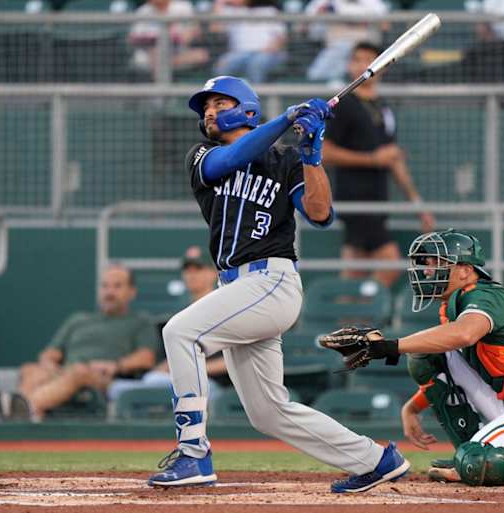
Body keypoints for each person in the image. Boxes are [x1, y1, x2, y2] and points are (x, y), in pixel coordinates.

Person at [147, 75, 410, 492]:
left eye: (218, 102)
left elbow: (321, 215)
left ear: (247, 107)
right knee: (267, 412)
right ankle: (375, 459)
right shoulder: (203, 154)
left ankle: (194, 453)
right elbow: (229, 162)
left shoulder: (286, 160)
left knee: (180, 332)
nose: (209, 112)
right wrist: (288, 118)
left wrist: (312, 153)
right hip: (235, 289)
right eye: (205, 108)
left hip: (270, 280)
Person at [324, 229, 504, 486]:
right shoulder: (455, 305)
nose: (427, 270)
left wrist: (387, 346)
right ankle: (474, 453)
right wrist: (412, 409)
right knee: (425, 356)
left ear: (465, 270)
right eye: (426, 263)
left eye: (437, 262)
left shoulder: (485, 295)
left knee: (476, 461)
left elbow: (465, 334)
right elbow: (443, 354)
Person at [322, 42, 435, 288]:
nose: (362, 65)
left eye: (369, 60)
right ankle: (360, 317)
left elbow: (393, 158)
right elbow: (325, 152)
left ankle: (348, 322)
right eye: (356, 59)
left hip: (377, 200)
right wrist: (373, 159)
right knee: (389, 263)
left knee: (354, 274)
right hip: (356, 199)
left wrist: (417, 205)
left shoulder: (383, 106)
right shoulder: (344, 104)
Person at [0, 265, 159, 422]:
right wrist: (49, 364)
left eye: (117, 286)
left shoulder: (140, 322)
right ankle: (27, 413)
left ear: (132, 292)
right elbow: (50, 353)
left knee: (78, 371)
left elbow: (146, 357)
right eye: (105, 286)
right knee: (29, 370)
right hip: (65, 372)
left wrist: (115, 365)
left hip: (104, 379)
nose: (109, 292)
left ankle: (23, 411)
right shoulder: (78, 320)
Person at [106, 245, 229, 402]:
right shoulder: (178, 318)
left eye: (198, 269)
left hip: (216, 384)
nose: (192, 275)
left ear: (214, 273)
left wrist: (187, 369)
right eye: (187, 270)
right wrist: (166, 368)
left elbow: (232, 360)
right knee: (120, 389)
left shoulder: (225, 310)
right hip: (176, 381)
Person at [303, 0, 388, 83]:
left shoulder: (373, 3)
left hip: (364, 47)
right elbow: (303, 26)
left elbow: (385, 26)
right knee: (316, 75)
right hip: (334, 47)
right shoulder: (324, 2)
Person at [127, 0, 210, 80]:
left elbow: (196, 31)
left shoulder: (183, 6)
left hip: (179, 52)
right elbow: (134, 37)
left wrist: (185, 36)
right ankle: (162, 90)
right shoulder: (143, 10)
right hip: (149, 55)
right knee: (155, 53)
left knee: (201, 55)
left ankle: (160, 88)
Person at [212, 0, 287, 83]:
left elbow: (281, 38)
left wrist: (270, 48)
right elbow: (215, 29)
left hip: (267, 53)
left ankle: (256, 94)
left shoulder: (269, 10)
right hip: (239, 54)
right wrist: (220, 3)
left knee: (257, 64)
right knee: (222, 65)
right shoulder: (231, 12)